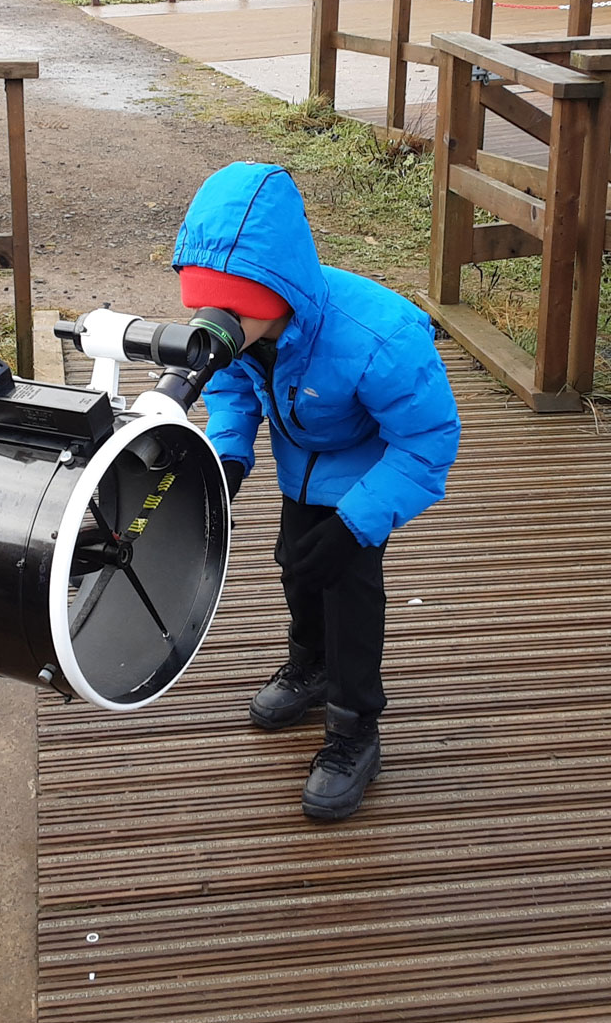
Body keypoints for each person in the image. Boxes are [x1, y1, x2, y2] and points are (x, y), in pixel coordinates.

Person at [173, 162, 461, 821]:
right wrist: (230, 456)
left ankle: (356, 726)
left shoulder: (378, 337)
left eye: (228, 310)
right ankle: (310, 664)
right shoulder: (245, 332)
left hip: (369, 467)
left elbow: (429, 442)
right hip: (301, 461)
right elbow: (230, 389)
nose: (215, 325)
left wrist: (356, 522)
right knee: (296, 566)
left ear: (273, 293)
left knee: (348, 585)